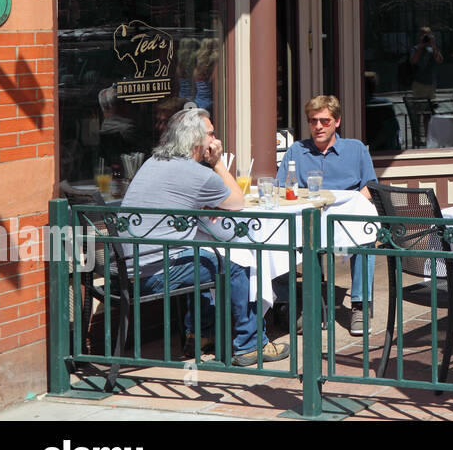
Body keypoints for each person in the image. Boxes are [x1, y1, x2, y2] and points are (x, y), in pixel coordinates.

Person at [121, 107, 288, 366]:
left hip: (127, 268)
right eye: (211, 134)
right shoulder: (196, 173)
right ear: (197, 139)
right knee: (237, 264)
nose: (215, 140)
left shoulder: (152, 162)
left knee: (202, 256)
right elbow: (237, 202)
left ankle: (201, 334)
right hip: (152, 272)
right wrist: (217, 163)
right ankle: (249, 345)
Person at [275, 95, 378, 336]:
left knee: (366, 235)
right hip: (307, 218)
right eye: (313, 121)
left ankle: (360, 305)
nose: (318, 126)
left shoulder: (356, 149)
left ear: (337, 122)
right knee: (276, 234)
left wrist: (349, 206)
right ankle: (288, 304)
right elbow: (281, 188)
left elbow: (370, 187)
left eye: (324, 121)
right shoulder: (296, 151)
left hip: (345, 218)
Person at [409, 26, 443, 99]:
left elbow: (439, 60)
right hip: (419, 83)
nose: (426, 38)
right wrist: (421, 47)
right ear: (420, 37)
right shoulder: (415, 48)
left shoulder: (433, 49)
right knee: (419, 106)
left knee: (431, 106)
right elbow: (413, 61)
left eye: (428, 35)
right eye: (424, 36)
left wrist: (433, 45)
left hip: (431, 83)